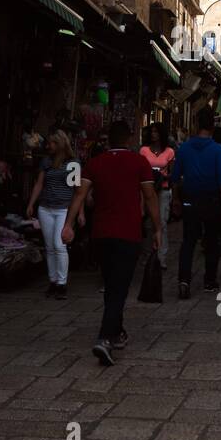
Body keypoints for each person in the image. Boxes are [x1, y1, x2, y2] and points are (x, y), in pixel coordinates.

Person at [61, 121, 160, 366]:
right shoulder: (139, 162)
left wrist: (68, 224)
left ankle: (117, 332)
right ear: (130, 138)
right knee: (120, 287)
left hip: (101, 233)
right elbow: (149, 196)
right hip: (128, 233)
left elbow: (80, 195)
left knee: (111, 284)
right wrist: (158, 228)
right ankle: (104, 338)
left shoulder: (95, 163)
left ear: (109, 140)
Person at [170, 107, 221, 299]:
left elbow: (175, 178)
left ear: (196, 125)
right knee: (211, 242)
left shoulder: (185, 148)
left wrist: (176, 199)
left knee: (188, 242)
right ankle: (209, 280)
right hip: (212, 201)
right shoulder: (216, 150)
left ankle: (184, 280)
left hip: (190, 200)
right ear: (212, 127)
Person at [27, 129, 80, 300]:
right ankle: (53, 281)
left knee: (59, 245)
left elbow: (78, 190)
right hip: (46, 207)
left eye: (51, 143)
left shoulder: (73, 163)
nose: (48, 146)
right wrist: (31, 204)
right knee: (50, 247)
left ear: (60, 144)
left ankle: (62, 283)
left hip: (64, 208)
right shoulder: (46, 162)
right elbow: (39, 184)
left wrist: (80, 212)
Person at [139, 123, 176, 269]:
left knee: (162, 223)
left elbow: (173, 174)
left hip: (163, 191)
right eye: (152, 132)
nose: (154, 134)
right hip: (146, 191)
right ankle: (148, 254)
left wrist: (163, 177)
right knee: (147, 224)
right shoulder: (143, 151)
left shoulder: (169, 152)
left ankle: (161, 256)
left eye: (156, 132)